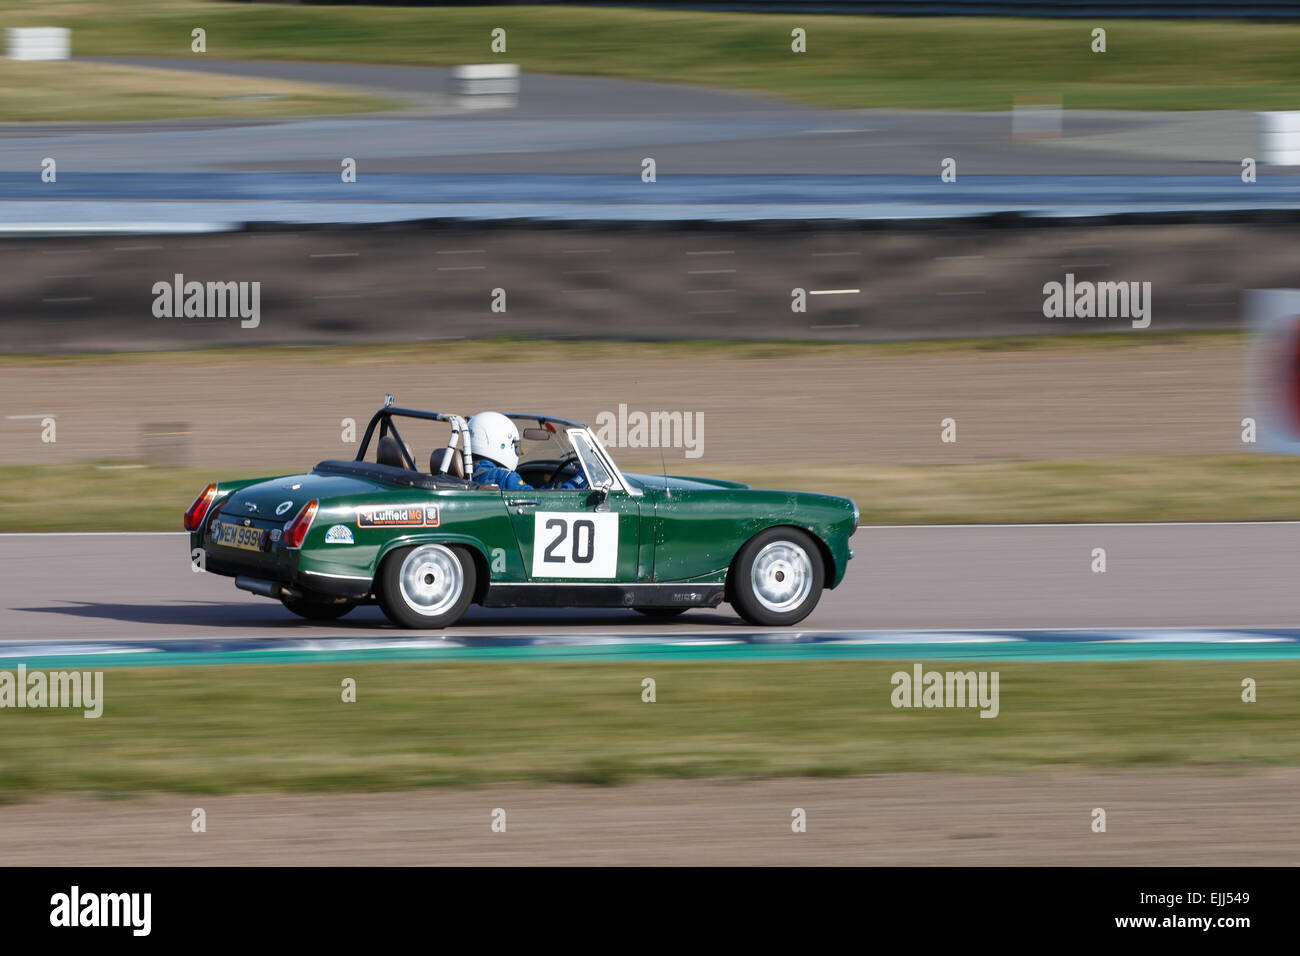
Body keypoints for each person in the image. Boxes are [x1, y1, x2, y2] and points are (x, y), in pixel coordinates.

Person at [467, 411, 587, 491]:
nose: (518, 451)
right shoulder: (504, 477)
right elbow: (541, 503)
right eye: (514, 445)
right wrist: (579, 480)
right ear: (500, 443)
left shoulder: (465, 472)